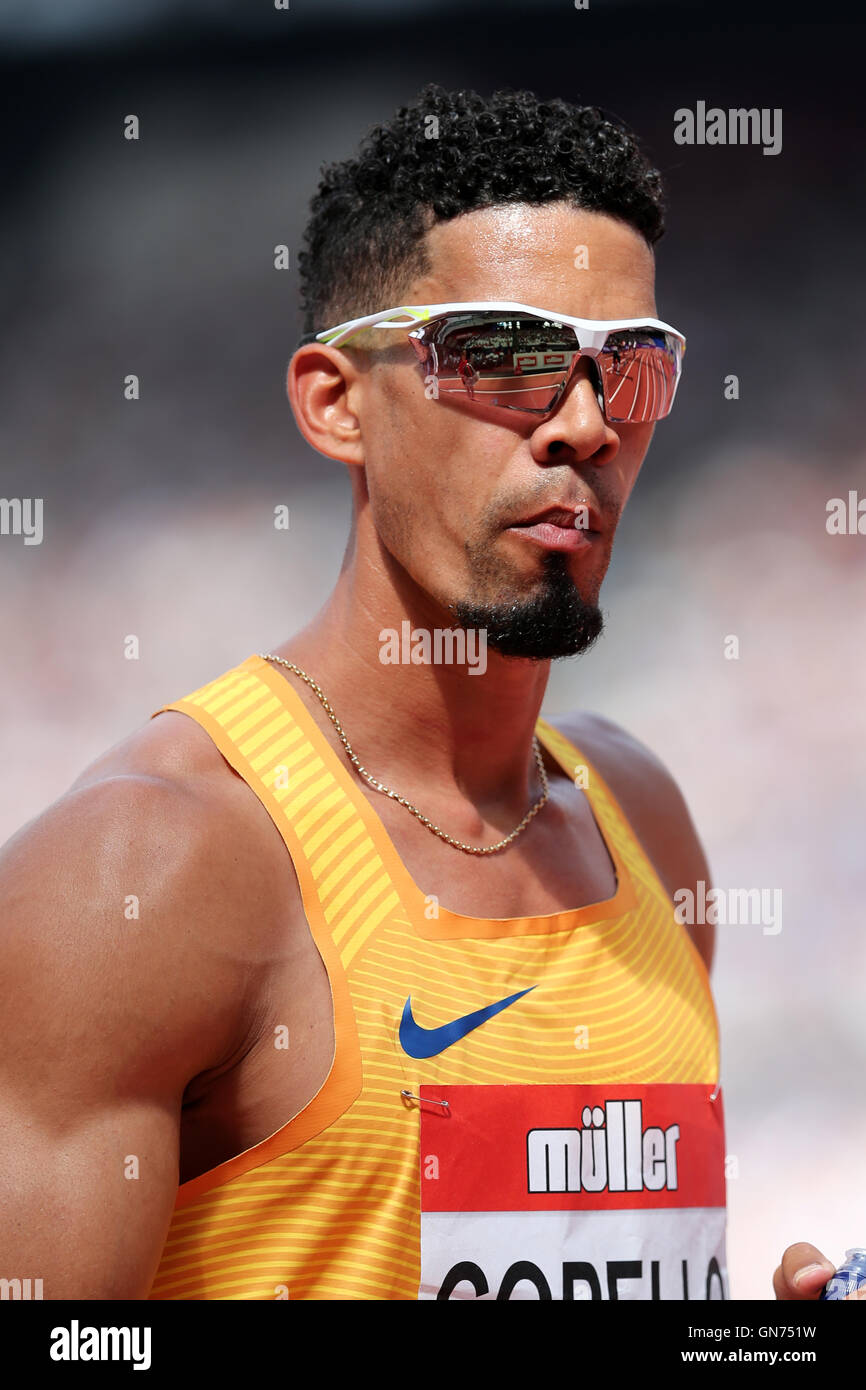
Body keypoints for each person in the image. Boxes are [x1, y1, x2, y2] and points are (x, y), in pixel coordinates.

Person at [0, 84, 842, 1301]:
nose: (583, 425)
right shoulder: (141, 874)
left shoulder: (644, 828)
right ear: (335, 404)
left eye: (634, 368)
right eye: (505, 357)